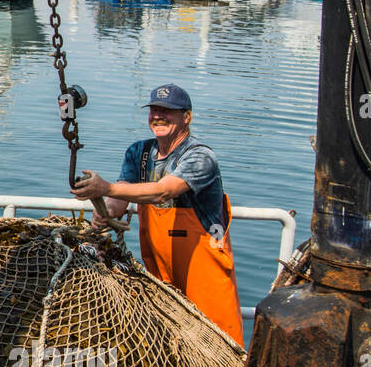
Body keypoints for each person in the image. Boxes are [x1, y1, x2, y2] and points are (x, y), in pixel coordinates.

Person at [70, 84, 243, 346]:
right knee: (169, 339)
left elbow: (163, 192)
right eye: (154, 110)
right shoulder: (138, 153)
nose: (159, 116)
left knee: (218, 340)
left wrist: (104, 187)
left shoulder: (199, 156)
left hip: (204, 265)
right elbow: (122, 193)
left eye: (168, 111)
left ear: (187, 117)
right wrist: (103, 210)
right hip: (160, 265)